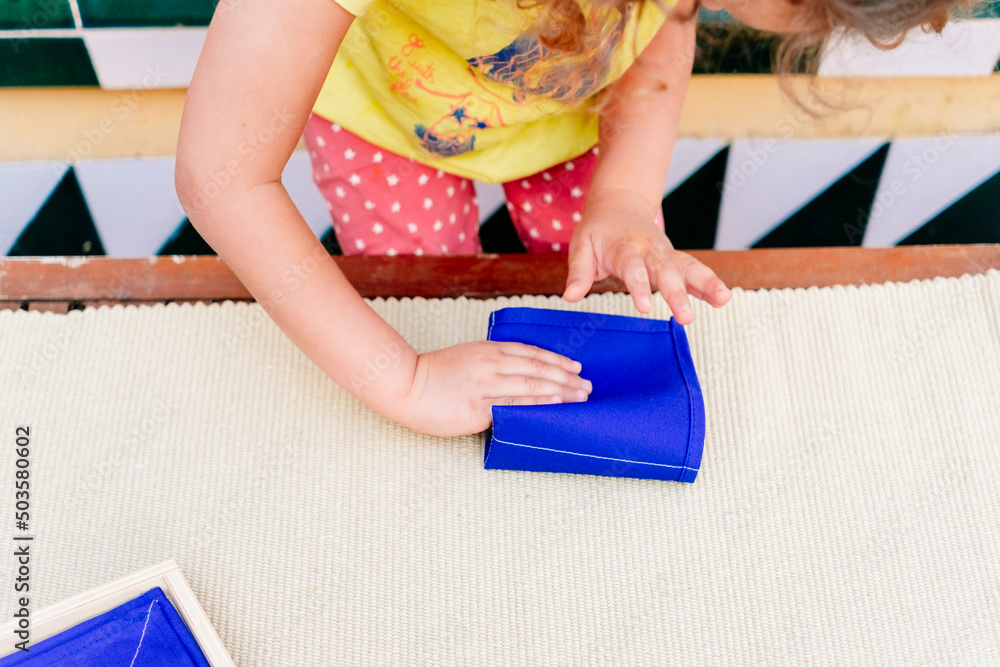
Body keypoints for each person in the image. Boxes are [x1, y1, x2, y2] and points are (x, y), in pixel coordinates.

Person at [175, 0, 965, 436]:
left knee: (592, 285)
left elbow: (666, 26)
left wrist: (624, 193)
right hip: (391, 122)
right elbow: (221, 177)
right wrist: (405, 381)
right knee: (417, 289)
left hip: (563, 113)